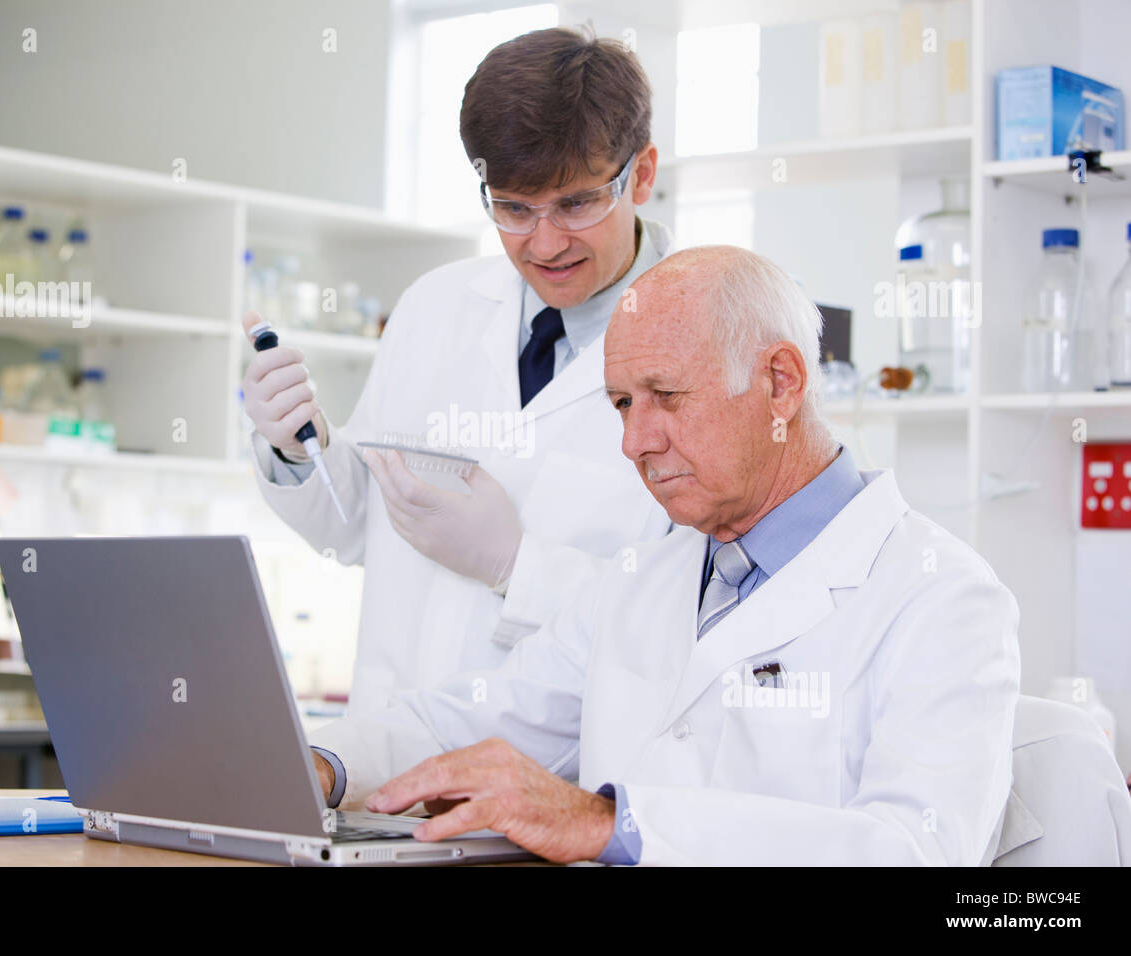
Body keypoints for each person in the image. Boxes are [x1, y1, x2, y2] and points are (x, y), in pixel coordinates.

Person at [305, 245, 1023, 866]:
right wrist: (323, 766)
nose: (635, 441)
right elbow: (471, 723)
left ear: (781, 382)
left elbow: (916, 852)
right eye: (621, 403)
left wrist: (610, 826)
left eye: (665, 396)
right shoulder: (642, 579)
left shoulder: (945, 599)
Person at [242, 27, 673, 716]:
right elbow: (360, 529)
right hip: (388, 763)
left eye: (576, 203)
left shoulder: (707, 340)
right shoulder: (433, 307)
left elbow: (696, 620)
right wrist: (299, 446)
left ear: (641, 176)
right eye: (512, 208)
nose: (545, 242)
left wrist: (516, 566)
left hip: (556, 783)